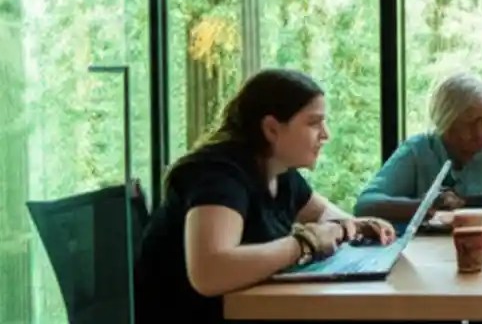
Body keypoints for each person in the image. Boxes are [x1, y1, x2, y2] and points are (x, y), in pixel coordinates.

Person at [134, 69, 395, 324]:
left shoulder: (279, 170)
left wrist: (357, 225)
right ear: (271, 129)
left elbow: (322, 213)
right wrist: (305, 244)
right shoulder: (218, 176)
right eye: (314, 123)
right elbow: (209, 272)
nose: (325, 135)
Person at [355, 71, 482, 231]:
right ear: (446, 123)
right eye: (469, 124)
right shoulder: (417, 151)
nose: (480, 134)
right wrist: (428, 206)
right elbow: (365, 205)